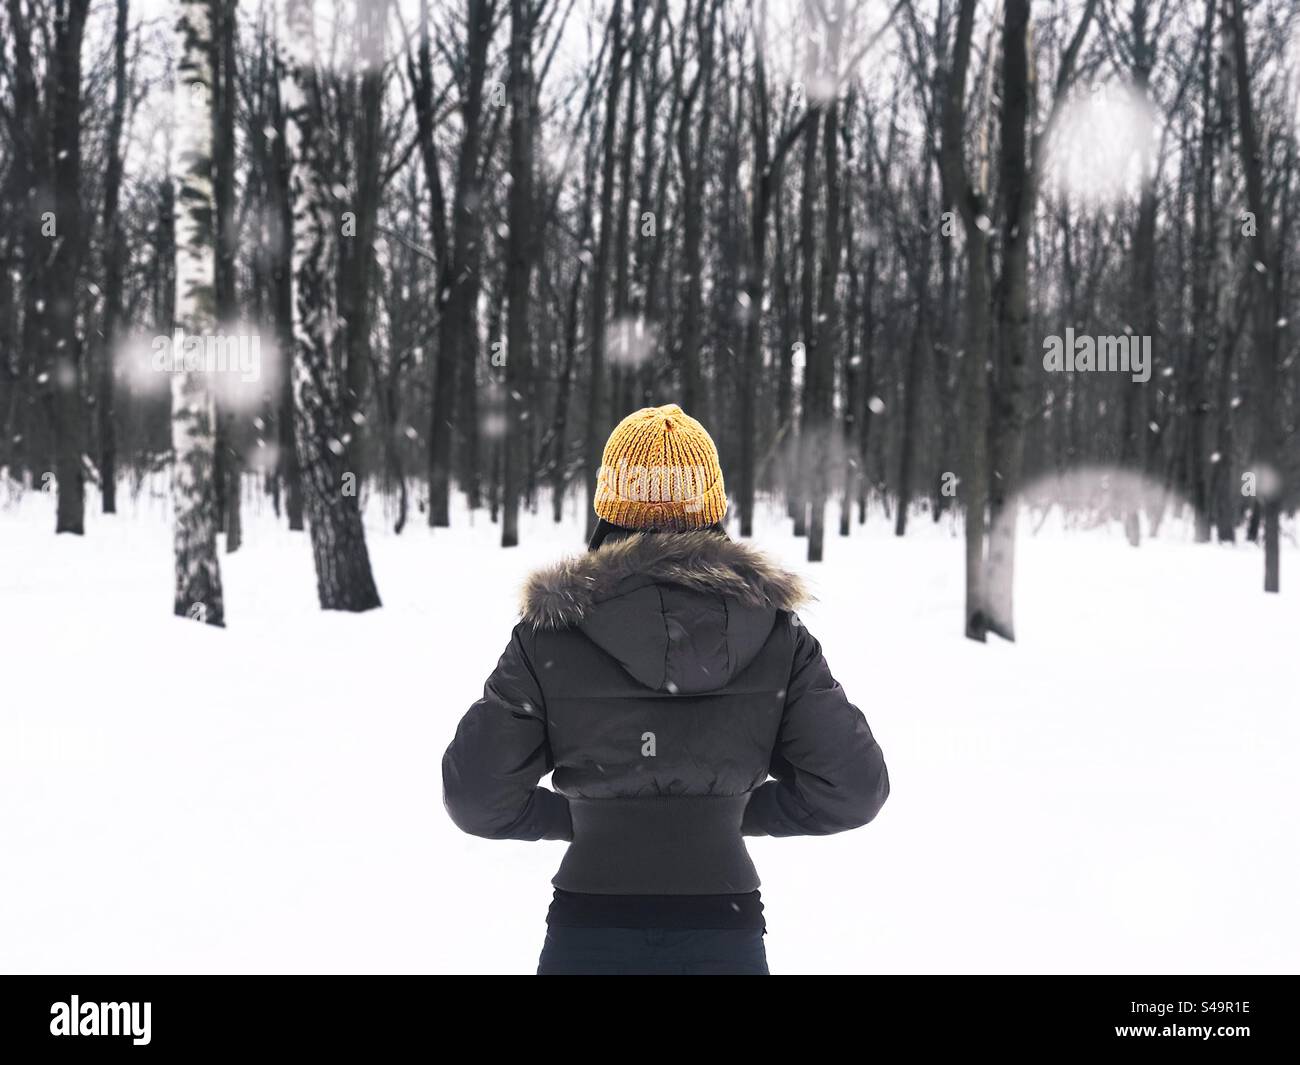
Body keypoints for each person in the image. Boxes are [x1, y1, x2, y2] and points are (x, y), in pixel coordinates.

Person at [443, 404, 890, 975]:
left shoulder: (550, 632)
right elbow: (853, 788)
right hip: (722, 925)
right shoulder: (774, 629)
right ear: (712, 505)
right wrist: (729, 814)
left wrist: (582, 819)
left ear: (608, 506)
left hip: (590, 927)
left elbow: (477, 796)